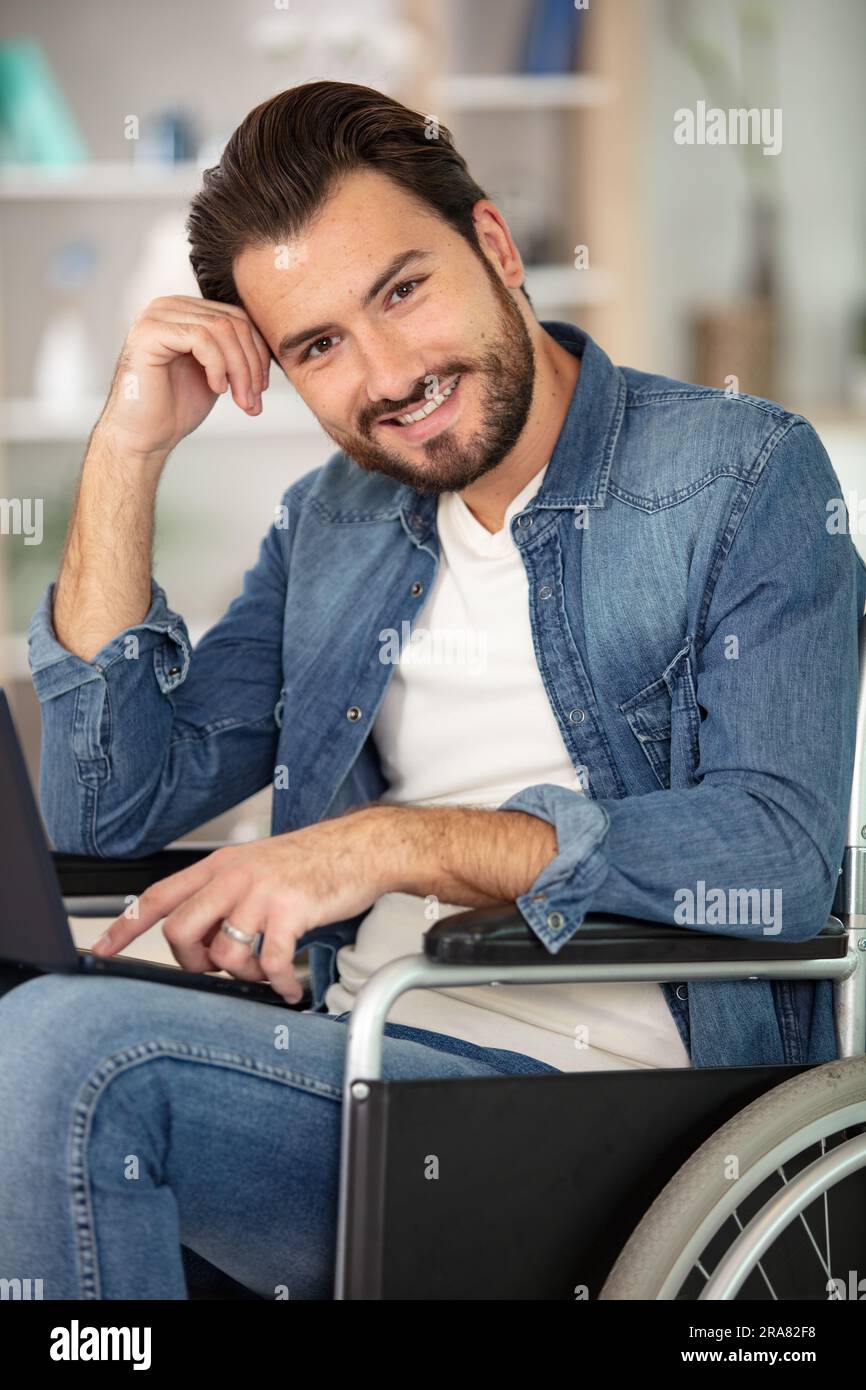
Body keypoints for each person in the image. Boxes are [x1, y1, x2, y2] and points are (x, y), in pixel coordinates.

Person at [2, 80, 864, 1300]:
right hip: (356, 1060)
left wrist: (392, 845)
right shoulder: (333, 522)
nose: (390, 373)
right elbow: (106, 817)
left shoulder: (741, 472)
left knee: (57, 1055)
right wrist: (127, 450)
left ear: (496, 246)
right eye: (318, 345)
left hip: (611, 1123)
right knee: (30, 1028)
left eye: (401, 290)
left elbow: (776, 855)